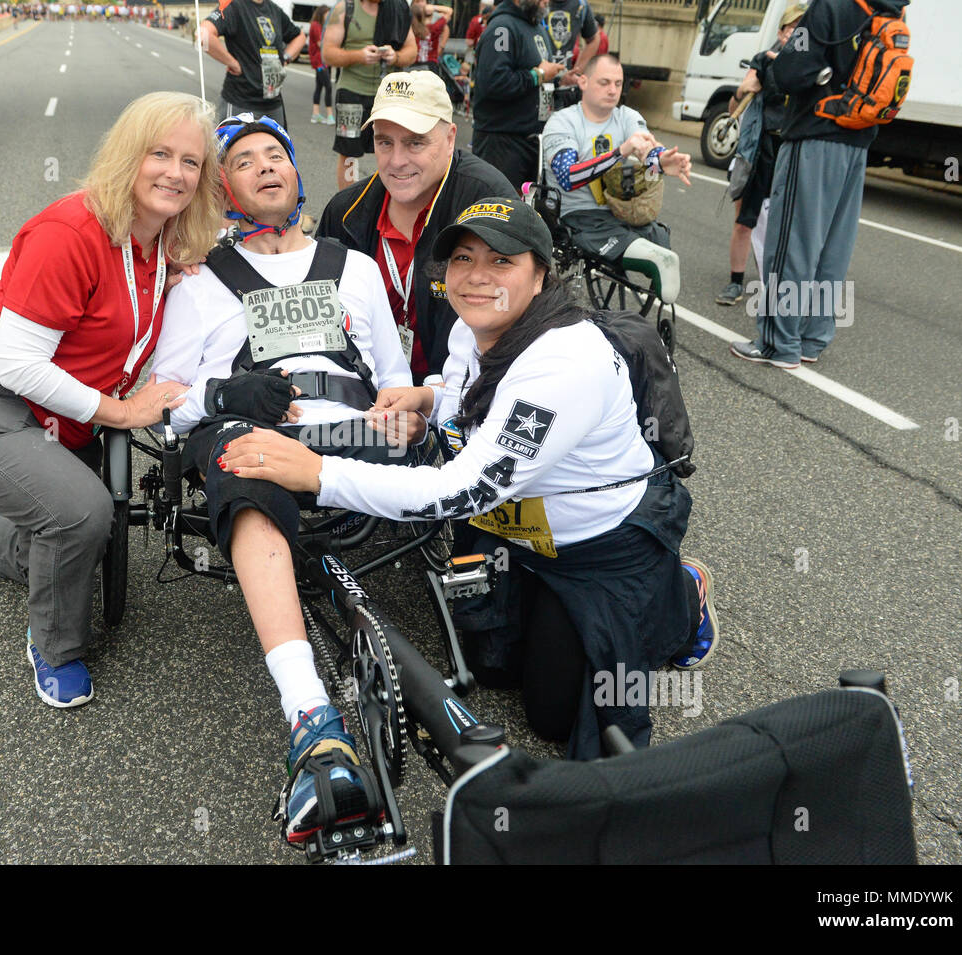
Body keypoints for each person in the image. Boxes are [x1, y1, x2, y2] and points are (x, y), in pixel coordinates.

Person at [220, 198, 719, 759]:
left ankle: (681, 593)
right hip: (513, 534)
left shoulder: (564, 365)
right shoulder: (473, 324)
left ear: (541, 277)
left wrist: (316, 472)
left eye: (501, 261)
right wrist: (429, 397)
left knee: (558, 719)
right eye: (462, 258)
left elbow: (461, 490)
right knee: (492, 667)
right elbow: (470, 398)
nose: (477, 277)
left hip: (597, 545)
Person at [0, 93, 221, 708]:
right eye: (159, 154)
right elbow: (17, 362)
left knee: (75, 544)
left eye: (191, 162)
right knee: (81, 515)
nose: (175, 172)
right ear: (126, 156)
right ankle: (54, 647)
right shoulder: (72, 229)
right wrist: (121, 412)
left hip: (54, 415)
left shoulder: (158, 245)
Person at [150, 113, 423, 844]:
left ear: (299, 175)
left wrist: (407, 415)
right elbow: (163, 397)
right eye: (245, 161)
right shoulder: (202, 278)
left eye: (277, 155)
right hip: (257, 434)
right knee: (243, 455)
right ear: (224, 188)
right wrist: (220, 397)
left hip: (353, 427)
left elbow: (395, 381)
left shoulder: (354, 267)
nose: (267, 166)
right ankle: (311, 720)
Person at [731, 0, 909, 369]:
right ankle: (812, 338)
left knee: (791, 242)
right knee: (833, 247)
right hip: (857, 142)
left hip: (814, 136)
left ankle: (777, 343)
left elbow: (793, 72)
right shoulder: (890, 10)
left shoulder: (832, 7)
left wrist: (767, 64)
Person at [317, 70, 513, 384]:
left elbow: (516, 313)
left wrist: (443, 399)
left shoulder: (487, 201)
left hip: (460, 390)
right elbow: (317, 316)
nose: (396, 161)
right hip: (369, 389)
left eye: (415, 143)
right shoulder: (345, 212)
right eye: (384, 142)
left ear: (450, 139)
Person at [541, 52, 692, 304]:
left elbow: (646, 149)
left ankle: (656, 261)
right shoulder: (562, 122)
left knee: (658, 235)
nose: (613, 90)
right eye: (604, 82)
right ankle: (655, 261)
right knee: (637, 246)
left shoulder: (627, 117)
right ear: (583, 82)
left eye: (618, 84)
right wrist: (620, 151)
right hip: (578, 215)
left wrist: (662, 161)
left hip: (618, 210)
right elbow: (568, 177)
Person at [717, 4, 805, 307]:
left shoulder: (809, 66)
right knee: (745, 219)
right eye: (790, 28)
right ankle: (735, 282)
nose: (794, 34)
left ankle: (779, 285)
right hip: (760, 149)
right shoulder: (762, 61)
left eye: (801, 29)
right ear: (780, 32)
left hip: (793, 151)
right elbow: (734, 108)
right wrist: (743, 89)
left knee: (788, 225)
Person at [322, 0, 417, 189]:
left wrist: (395, 57)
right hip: (351, 92)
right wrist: (358, 56)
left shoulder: (397, 8)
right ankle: (349, 206)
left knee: (393, 150)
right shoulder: (345, 8)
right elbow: (327, 54)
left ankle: (388, 202)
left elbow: (411, 51)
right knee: (349, 154)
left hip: (389, 95)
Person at [471, 0, 564, 191]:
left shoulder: (537, 27)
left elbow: (541, 74)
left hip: (531, 141)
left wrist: (560, 79)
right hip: (501, 143)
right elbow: (494, 81)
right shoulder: (502, 27)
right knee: (500, 212)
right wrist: (538, 75)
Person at [199, 0, 305, 126]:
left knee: (278, 145)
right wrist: (232, 63)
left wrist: (285, 58)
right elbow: (203, 34)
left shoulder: (274, 9)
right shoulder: (233, 6)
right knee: (234, 145)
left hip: (273, 102)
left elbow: (300, 36)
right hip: (241, 102)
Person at [545, 0, 601, 109]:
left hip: (564, 89)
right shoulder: (534, 4)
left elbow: (594, 39)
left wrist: (576, 71)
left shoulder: (581, 6)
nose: (560, 28)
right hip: (534, 85)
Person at [308, 5, 334, 124]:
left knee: (319, 87)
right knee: (328, 86)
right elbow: (320, 44)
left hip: (324, 61)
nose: (328, 16)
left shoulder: (323, 26)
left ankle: (315, 114)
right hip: (319, 62)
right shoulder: (316, 25)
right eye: (327, 14)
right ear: (321, 13)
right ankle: (329, 115)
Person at [410, 0, 447, 64]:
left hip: (412, 64)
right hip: (430, 63)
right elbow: (449, 12)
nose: (420, 4)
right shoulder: (434, 27)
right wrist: (433, 7)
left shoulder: (408, 30)